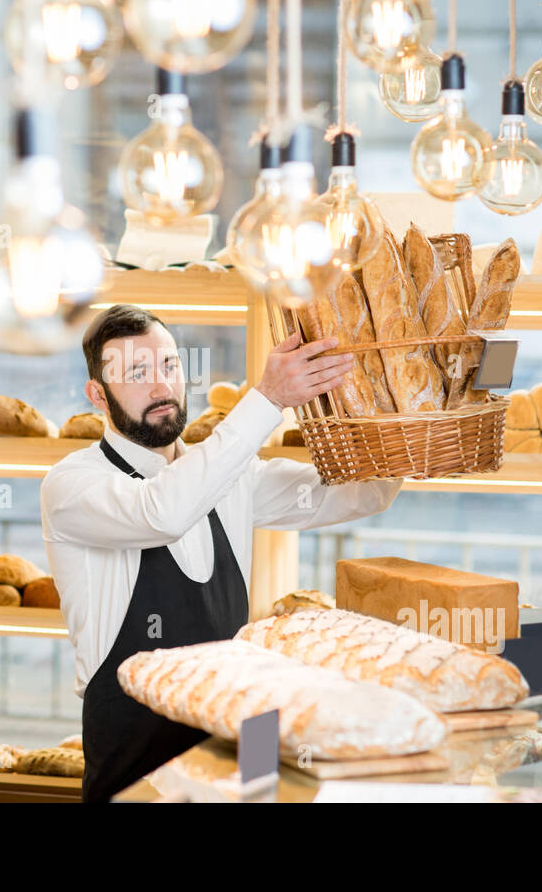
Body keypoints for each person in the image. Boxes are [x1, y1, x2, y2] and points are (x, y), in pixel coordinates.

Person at [39, 304, 402, 802]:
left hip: (242, 756)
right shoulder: (72, 485)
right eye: (137, 373)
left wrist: (407, 411)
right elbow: (162, 513)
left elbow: (360, 494)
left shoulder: (227, 477)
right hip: (139, 771)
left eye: (169, 366)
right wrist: (269, 398)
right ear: (97, 395)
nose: (160, 386)